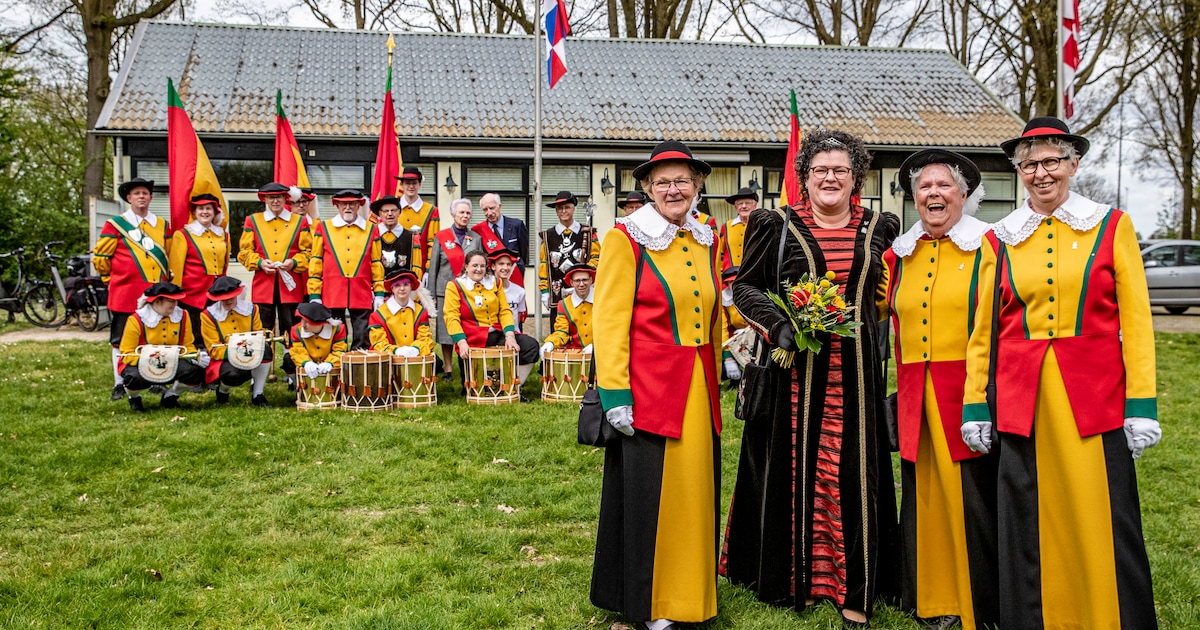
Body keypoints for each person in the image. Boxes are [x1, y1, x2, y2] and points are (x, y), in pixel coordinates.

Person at [961, 117, 1160, 629]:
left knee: (1103, 511)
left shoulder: (1111, 226)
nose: (1041, 173)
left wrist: (1141, 404)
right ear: (1018, 172)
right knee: (1029, 515)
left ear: (1073, 165)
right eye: (1029, 164)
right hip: (1023, 399)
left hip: (1096, 396)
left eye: (1052, 161)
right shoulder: (999, 238)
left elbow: (1137, 322)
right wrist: (976, 404)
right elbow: (983, 330)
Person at [720, 129, 900, 628]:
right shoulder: (774, 225)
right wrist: (780, 325)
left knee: (853, 472)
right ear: (804, 177)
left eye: (841, 170)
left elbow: (885, 294)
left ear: (856, 178)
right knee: (796, 470)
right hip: (793, 374)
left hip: (857, 374)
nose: (830, 178)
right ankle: (794, 578)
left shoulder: (879, 227)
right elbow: (746, 288)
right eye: (820, 169)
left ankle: (854, 585)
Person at [591, 140, 723, 628]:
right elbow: (608, 321)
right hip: (647, 392)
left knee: (694, 496)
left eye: (682, 181)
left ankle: (692, 596)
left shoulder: (706, 236)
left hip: (698, 386)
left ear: (697, 186)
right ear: (647, 188)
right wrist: (615, 394)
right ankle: (652, 605)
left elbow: (712, 311)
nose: (673, 190)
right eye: (662, 182)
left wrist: (723, 367)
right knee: (651, 500)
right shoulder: (625, 239)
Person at [882, 149, 999, 630]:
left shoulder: (989, 246)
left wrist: (980, 396)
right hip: (915, 390)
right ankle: (929, 598)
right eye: (924, 187)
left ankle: (975, 602)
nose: (933, 193)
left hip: (967, 389)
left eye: (943, 185)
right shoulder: (899, 255)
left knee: (969, 499)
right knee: (924, 497)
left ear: (964, 194)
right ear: (914, 199)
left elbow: (996, 324)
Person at [94, 177, 170, 402]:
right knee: (120, 338)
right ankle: (119, 382)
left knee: (154, 336)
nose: (141, 197)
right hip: (125, 292)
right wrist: (111, 279)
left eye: (145, 193)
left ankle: (156, 378)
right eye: (137, 193)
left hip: (156, 293)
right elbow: (101, 258)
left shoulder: (162, 225)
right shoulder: (115, 224)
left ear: (151, 197)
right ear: (129, 198)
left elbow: (169, 254)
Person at [238, 181, 312, 387]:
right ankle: (258, 379)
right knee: (262, 331)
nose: (275, 201)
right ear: (264, 199)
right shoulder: (253, 221)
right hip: (264, 285)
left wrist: (294, 262)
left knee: (292, 329)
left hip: (291, 286)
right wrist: (260, 263)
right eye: (271, 198)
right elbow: (244, 252)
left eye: (279, 197)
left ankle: (293, 376)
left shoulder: (299, 222)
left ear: (286, 199)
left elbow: (309, 252)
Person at [443, 250, 540, 397]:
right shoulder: (455, 286)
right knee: (472, 390)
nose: (479, 269)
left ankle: (513, 388)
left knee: (531, 346)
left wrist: (510, 336)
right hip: (471, 339)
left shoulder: (495, 283)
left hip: (496, 333)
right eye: (475, 265)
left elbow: (504, 311)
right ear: (466, 266)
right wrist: (461, 342)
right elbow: (451, 317)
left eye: (482, 266)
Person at [308, 189, 385, 350]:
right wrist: (315, 294)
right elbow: (316, 261)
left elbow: (376, 263)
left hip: (361, 290)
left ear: (359, 205)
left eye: (352, 204)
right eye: (344, 204)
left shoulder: (372, 229)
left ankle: (358, 363)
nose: (348, 208)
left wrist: (379, 293)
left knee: (363, 334)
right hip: (332, 291)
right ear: (337, 206)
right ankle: (337, 362)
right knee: (335, 333)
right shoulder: (324, 227)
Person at [117, 282, 206, 412]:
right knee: (133, 377)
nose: (175, 304)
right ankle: (134, 398)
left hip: (172, 361)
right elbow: (127, 352)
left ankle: (171, 395)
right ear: (157, 301)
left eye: (176, 300)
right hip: (142, 362)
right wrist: (148, 361)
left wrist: (195, 356)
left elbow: (187, 345)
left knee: (195, 372)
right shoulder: (136, 319)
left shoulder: (183, 316)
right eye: (170, 301)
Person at [199, 276, 273, 407]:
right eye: (224, 299)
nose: (228, 301)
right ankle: (223, 389)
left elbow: (258, 334)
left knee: (266, 350)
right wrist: (238, 352)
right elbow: (213, 349)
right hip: (225, 358)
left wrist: (255, 344)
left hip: (250, 350)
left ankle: (258, 394)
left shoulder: (252, 309)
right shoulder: (208, 316)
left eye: (231, 297)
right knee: (233, 375)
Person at [428, 198, 481, 382]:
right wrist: (431, 295)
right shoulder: (441, 236)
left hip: (468, 292)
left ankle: (467, 363)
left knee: (466, 327)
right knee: (445, 331)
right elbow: (433, 267)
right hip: (444, 290)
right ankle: (448, 368)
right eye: (461, 212)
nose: (465, 216)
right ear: (453, 214)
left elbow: (480, 265)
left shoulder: (476, 238)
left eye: (468, 213)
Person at [168, 193, 229, 334]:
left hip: (217, 293)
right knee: (194, 332)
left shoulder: (224, 235)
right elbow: (176, 268)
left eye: (208, 208)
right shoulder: (183, 234)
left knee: (216, 332)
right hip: (192, 294)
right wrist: (175, 295)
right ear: (194, 212)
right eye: (201, 208)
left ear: (215, 212)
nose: (205, 212)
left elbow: (224, 266)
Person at [538, 190, 601, 309]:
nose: (563, 211)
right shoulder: (547, 236)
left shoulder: (588, 233)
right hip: (557, 292)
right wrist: (545, 291)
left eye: (567, 207)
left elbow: (597, 258)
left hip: (584, 291)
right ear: (556, 211)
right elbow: (544, 265)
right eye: (560, 208)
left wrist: (588, 278)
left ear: (574, 209)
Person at [368, 269, 436, 357]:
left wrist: (415, 349)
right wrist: (396, 351)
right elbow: (378, 343)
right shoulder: (378, 315)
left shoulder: (420, 312)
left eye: (406, 285)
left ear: (411, 287)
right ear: (392, 288)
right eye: (397, 285)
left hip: (414, 359)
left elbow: (425, 338)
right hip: (387, 360)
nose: (402, 288)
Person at [474, 193, 529, 287]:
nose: (489, 213)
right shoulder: (478, 230)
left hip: (514, 276)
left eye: (492, 208)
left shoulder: (517, 225)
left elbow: (524, 253)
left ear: (500, 206)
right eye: (485, 210)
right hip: (490, 280)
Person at [540, 263, 594, 355]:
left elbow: (609, 329)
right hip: (575, 353)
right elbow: (562, 331)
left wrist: (596, 345)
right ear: (571, 283)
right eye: (577, 280)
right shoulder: (563, 304)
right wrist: (551, 342)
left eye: (585, 280)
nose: (581, 284)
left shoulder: (602, 300)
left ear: (591, 280)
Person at [395, 166, 440, 275]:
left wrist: (429, 270)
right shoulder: (392, 208)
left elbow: (433, 244)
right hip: (394, 268)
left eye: (414, 183)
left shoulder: (431, 210)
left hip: (421, 269)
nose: (411, 186)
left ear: (420, 184)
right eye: (407, 183)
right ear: (401, 184)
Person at [289, 301, 348, 382]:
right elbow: (297, 351)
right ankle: (294, 381)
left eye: (307, 322)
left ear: (319, 323)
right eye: (302, 320)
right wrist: (306, 362)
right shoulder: (297, 330)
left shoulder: (337, 330)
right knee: (288, 359)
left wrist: (330, 363)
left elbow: (339, 350)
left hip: (328, 362)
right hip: (309, 361)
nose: (302, 325)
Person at [370, 195, 423, 281]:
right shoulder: (371, 236)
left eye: (393, 210)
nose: (390, 214)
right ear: (380, 213)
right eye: (386, 211)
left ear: (399, 212)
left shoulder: (411, 237)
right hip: (377, 287)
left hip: (403, 287)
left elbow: (416, 268)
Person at [720, 187, 758, 275]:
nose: (744, 206)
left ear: (755, 205)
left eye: (748, 203)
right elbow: (720, 254)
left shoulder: (761, 226)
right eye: (740, 203)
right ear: (736, 207)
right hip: (730, 277)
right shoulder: (726, 227)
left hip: (754, 276)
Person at [719, 266, 746, 384]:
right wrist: (727, 356)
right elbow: (723, 328)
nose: (733, 285)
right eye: (730, 282)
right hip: (734, 337)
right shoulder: (724, 300)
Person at [489, 249, 527, 327]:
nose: (505, 268)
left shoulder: (520, 291)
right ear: (493, 266)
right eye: (501, 264)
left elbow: (517, 320)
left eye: (508, 264)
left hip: (512, 332)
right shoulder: (485, 289)